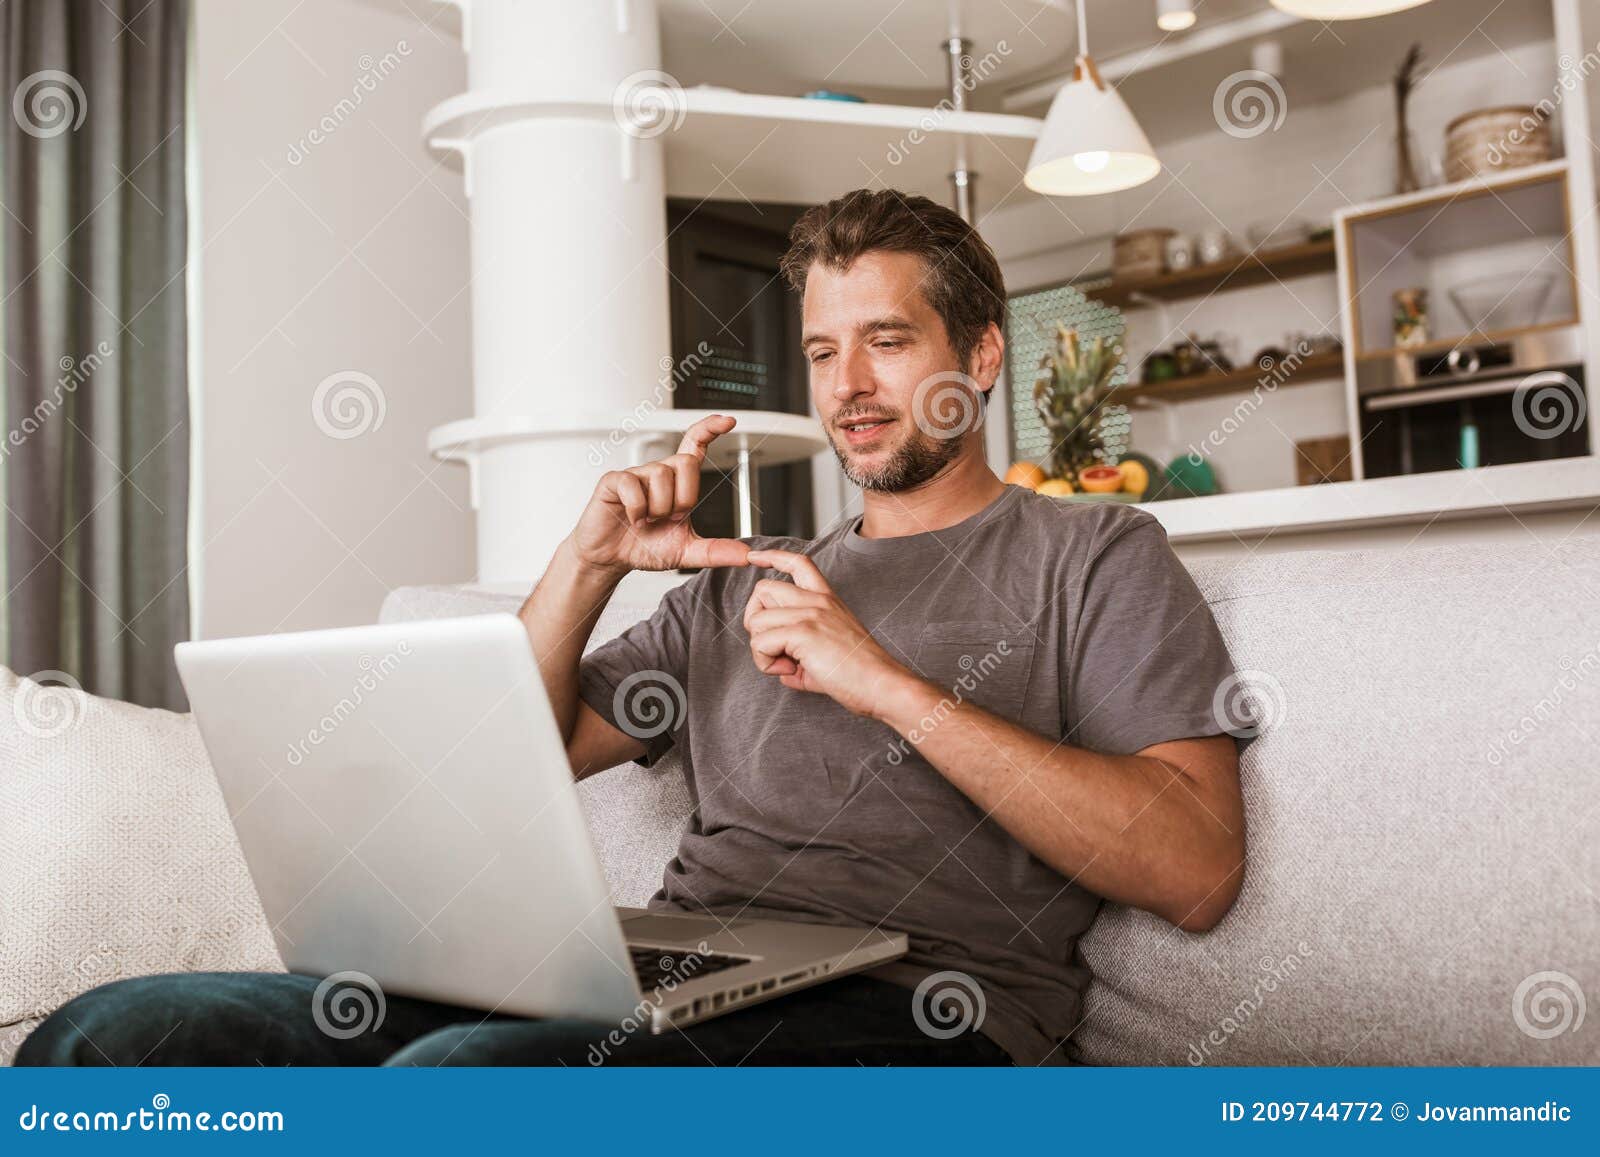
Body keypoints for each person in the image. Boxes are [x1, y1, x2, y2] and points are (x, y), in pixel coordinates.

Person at [19, 189, 1247, 1067]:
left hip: (923, 1013)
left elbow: (1193, 869)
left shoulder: (1093, 555)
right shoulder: (734, 581)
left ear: (978, 356)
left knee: (464, 1088)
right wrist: (589, 560)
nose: (849, 388)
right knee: (119, 1035)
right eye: (824, 350)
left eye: (886, 340)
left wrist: (885, 684)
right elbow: (523, 754)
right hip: (674, 970)